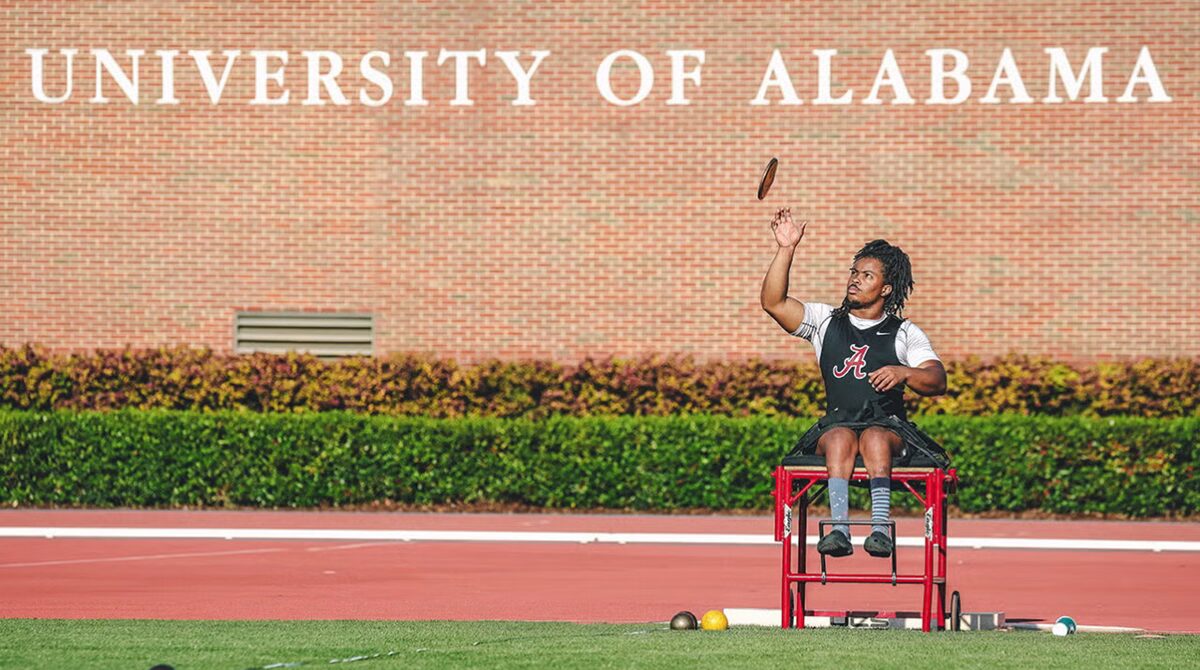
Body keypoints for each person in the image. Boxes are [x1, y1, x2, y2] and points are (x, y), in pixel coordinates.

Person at [759, 208, 948, 559]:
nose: (855, 280)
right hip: (839, 425)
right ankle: (839, 531)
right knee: (840, 435)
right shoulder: (824, 321)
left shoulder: (904, 332)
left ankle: (879, 530)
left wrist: (905, 372)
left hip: (888, 430)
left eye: (867, 275)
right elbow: (773, 302)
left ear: (886, 288)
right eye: (854, 272)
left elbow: (937, 380)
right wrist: (786, 249)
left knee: (874, 436)